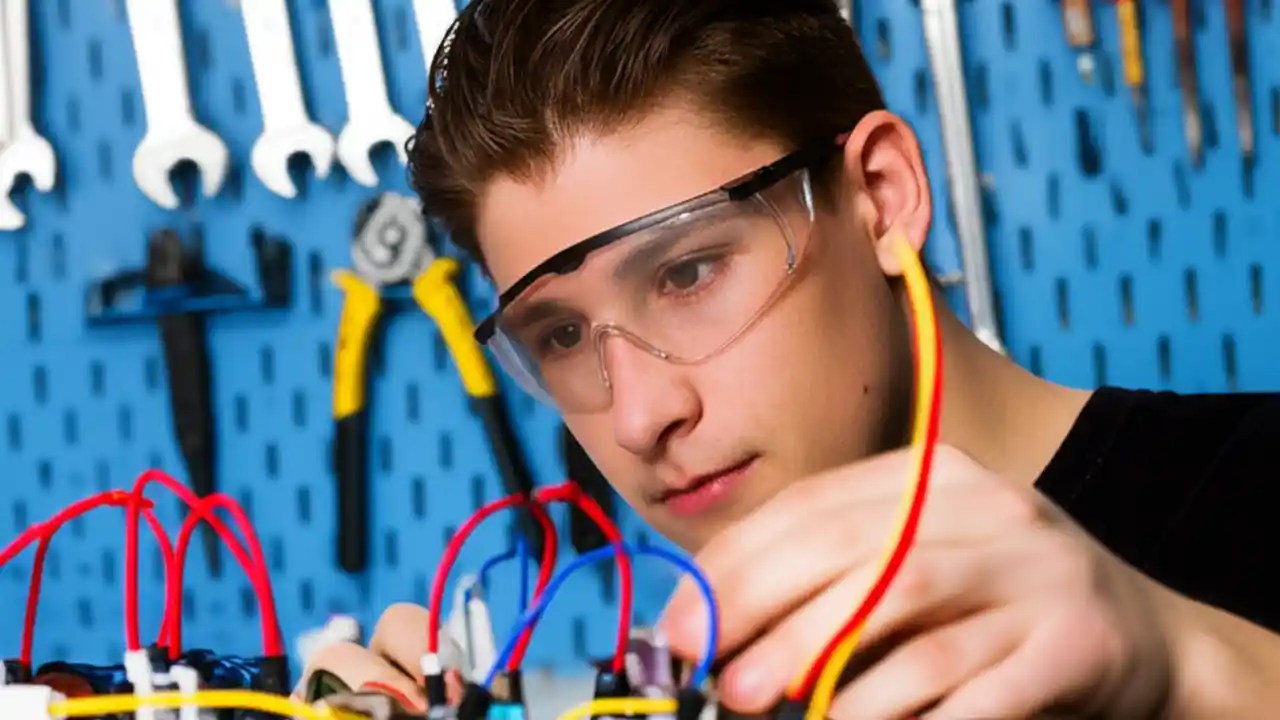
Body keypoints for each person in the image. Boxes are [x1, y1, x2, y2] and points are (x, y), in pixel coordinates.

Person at [298, 0, 1280, 716]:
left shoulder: (1253, 488)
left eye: (684, 273)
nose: (638, 418)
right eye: (559, 335)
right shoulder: (686, 676)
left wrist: (1191, 671)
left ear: (881, 197)